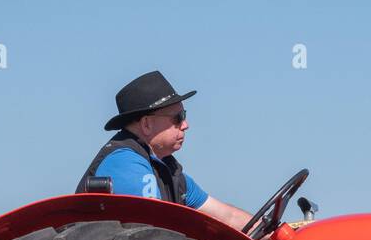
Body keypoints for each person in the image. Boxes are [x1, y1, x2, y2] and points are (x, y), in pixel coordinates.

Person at [76, 70, 252, 229]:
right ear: (146, 124)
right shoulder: (125, 162)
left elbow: (228, 217)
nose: (185, 125)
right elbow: (153, 232)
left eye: (184, 116)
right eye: (178, 118)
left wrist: (277, 235)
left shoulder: (171, 172)